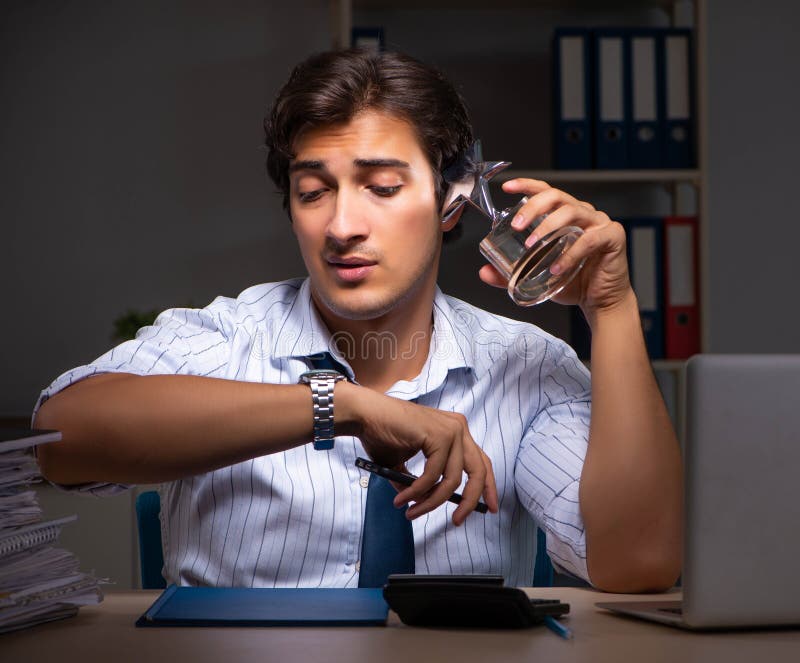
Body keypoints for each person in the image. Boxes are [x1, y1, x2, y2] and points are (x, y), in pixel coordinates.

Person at [33, 49, 682, 592]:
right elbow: (60, 440)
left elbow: (640, 564)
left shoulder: (527, 366)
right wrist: (339, 405)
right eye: (313, 192)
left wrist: (613, 307)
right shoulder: (226, 338)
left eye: (383, 186)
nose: (342, 226)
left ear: (450, 202)